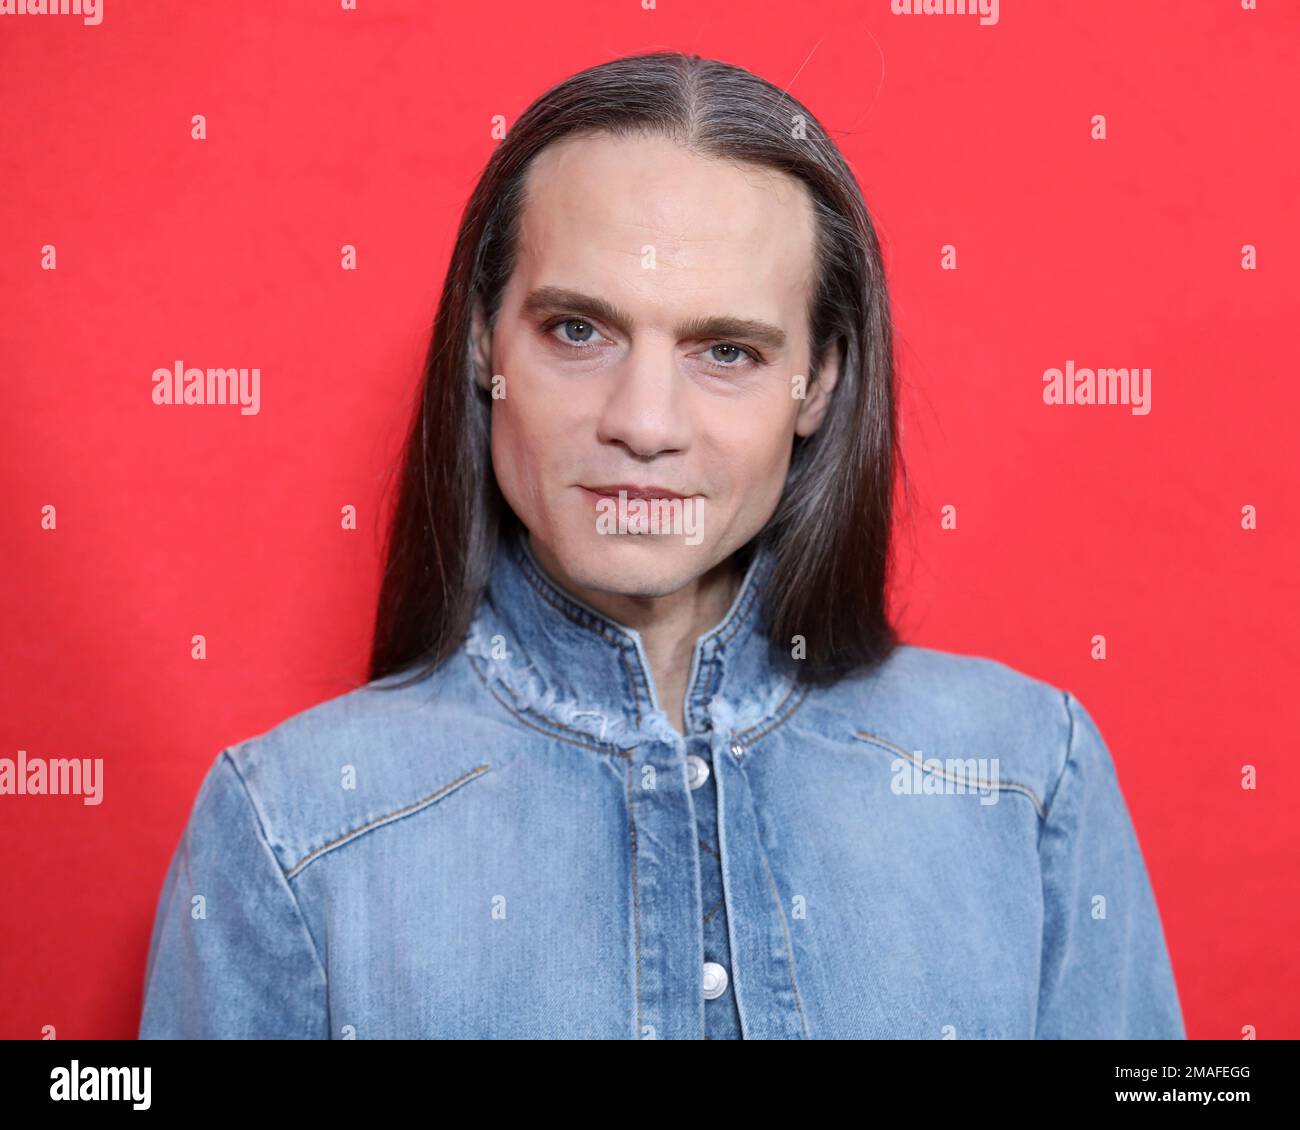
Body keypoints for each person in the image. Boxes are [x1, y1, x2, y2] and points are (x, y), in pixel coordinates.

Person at [138, 50, 1184, 1039]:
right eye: (577, 330)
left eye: (725, 349)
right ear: (479, 338)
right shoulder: (287, 826)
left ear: (815, 381)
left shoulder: (1028, 773)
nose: (643, 421)